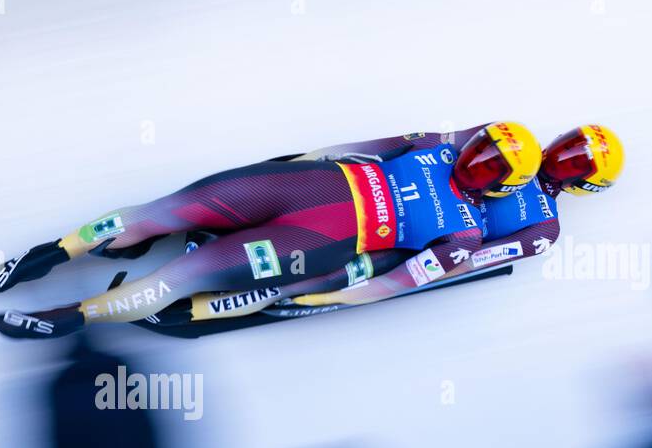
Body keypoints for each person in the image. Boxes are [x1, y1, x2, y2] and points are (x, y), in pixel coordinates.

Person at [0, 123, 542, 338]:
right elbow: (363, 147)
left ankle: (70, 317)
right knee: (177, 205)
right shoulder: (436, 147)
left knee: (188, 273)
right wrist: (297, 161)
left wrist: (327, 295)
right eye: (479, 152)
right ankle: (50, 253)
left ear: (501, 188)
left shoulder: (467, 235)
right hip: (309, 185)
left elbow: (399, 280)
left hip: (319, 243)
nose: (475, 163)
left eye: (491, 168)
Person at [151, 123, 625, 330]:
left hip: (418, 240)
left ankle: (203, 307)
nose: (558, 160)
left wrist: (405, 277)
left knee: (322, 275)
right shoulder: (512, 142)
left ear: (583, 185)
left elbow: (473, 261)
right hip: (401, 191)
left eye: (572, 165)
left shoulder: (542, 229)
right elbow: (436, 142)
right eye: (565, 147)